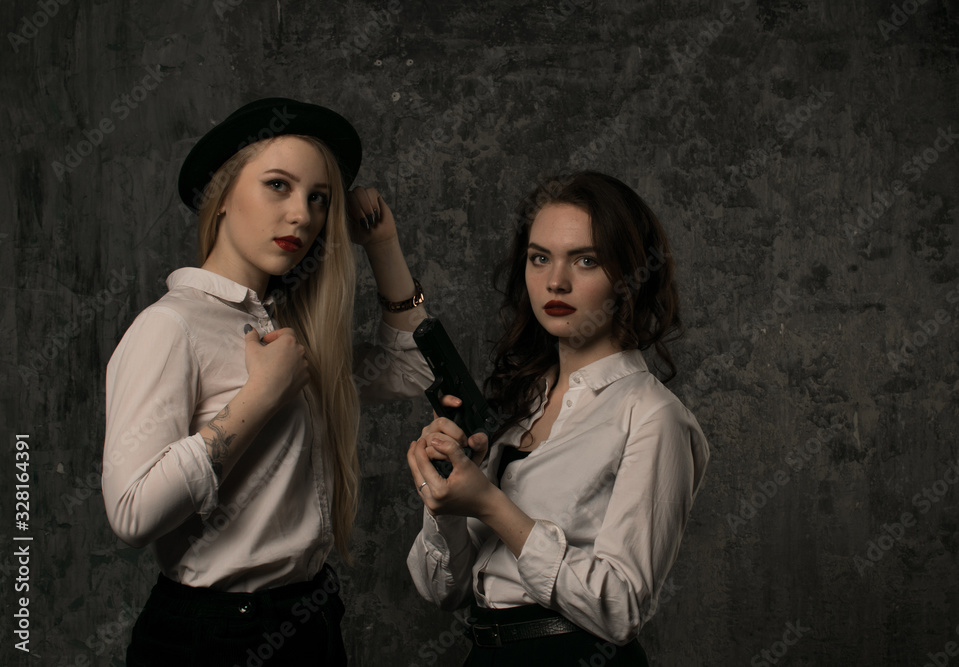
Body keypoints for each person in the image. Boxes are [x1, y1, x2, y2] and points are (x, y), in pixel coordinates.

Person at [102, 97, 432, 666]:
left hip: (311, 617)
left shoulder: (291, 327)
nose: (302, 215)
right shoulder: (171, 326)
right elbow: (131, 513)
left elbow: (411, 368)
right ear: (223, 195)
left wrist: (382, 246)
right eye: (277, 186)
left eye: (318, 199)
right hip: (215, 636)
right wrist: (259, 398)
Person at [405, 171, 710, 665]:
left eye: (586, 260)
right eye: (539, 258)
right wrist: (445, 497)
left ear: (631, 274)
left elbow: (621, 607)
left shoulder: (651, 416)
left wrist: (490, 505)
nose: (556, 281)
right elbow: (445, 592)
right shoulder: (516, 407)